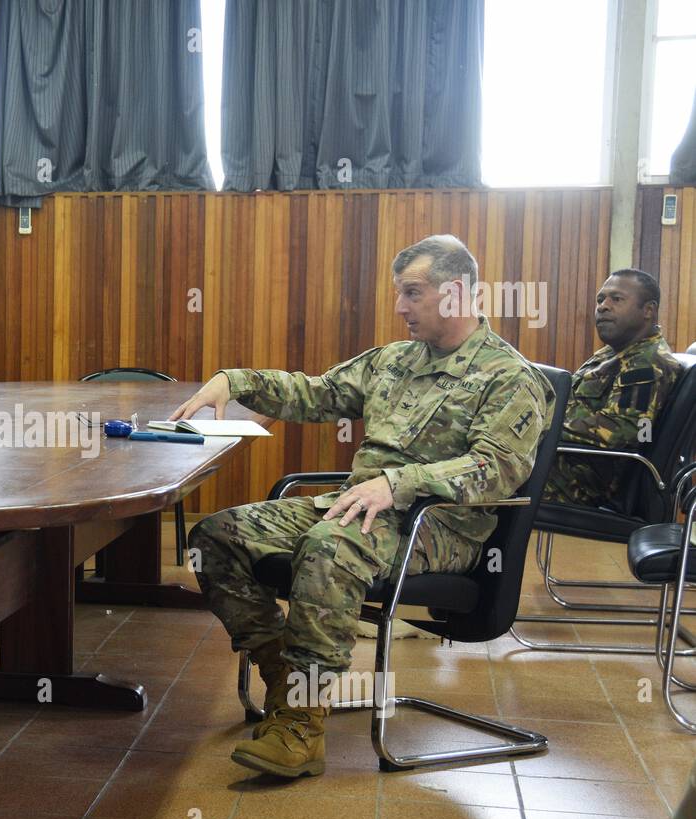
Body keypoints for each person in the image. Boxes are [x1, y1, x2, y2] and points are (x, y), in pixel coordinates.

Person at [171, 234, 553, 780]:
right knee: (216, 536)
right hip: (359, 503)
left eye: (412, 293)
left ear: (457, 292)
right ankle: (283, 672)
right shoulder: (395, 360)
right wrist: (234, 381)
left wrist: (399, 484)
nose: (400, 307)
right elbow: (316, 393)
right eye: (399, 293)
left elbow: (497, 469)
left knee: (331, 547)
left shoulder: (510, 377)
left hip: (437, 525)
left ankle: (301, 727)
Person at [544, 269, 683, 510]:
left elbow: (625, 431)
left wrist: (543, 425)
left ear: (648, 310)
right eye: (600, 299)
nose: (603, 307)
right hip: (561, 463)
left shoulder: (648, 363)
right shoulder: (614, 352)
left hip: (580, 485)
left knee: (485, 479)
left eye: (616, 299)